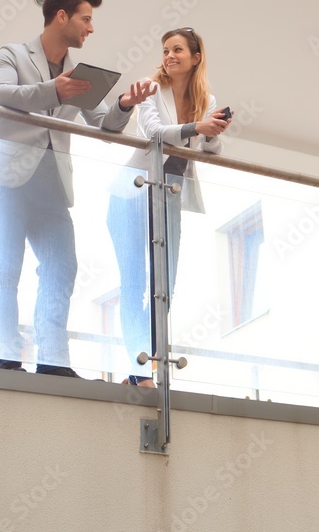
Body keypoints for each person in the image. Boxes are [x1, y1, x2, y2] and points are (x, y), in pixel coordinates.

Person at [0, 0, 156, 378]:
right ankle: (4, 359)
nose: (91, 28)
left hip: (51, 184)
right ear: (62, 16)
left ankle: (53, 361)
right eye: (86, 18)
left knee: (62, 267)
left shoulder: (81, 75)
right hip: (6, 178)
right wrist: (50, 90)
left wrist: (125, 105)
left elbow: (104, 125)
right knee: (5, 267)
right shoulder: (12, 54)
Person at [107, 27, 230, 386]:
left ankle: (147, 362)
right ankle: (140, 369)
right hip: (131, 192)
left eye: (177, 49)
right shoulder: (149, 88)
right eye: (165, 50)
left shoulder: (205, 99)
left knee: (166, 285)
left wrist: (210, 131)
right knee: (135, 285)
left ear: (196, 57)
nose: (169, 56)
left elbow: (210, 150)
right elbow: (152, 132)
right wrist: (197, 126)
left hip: (170, 193)